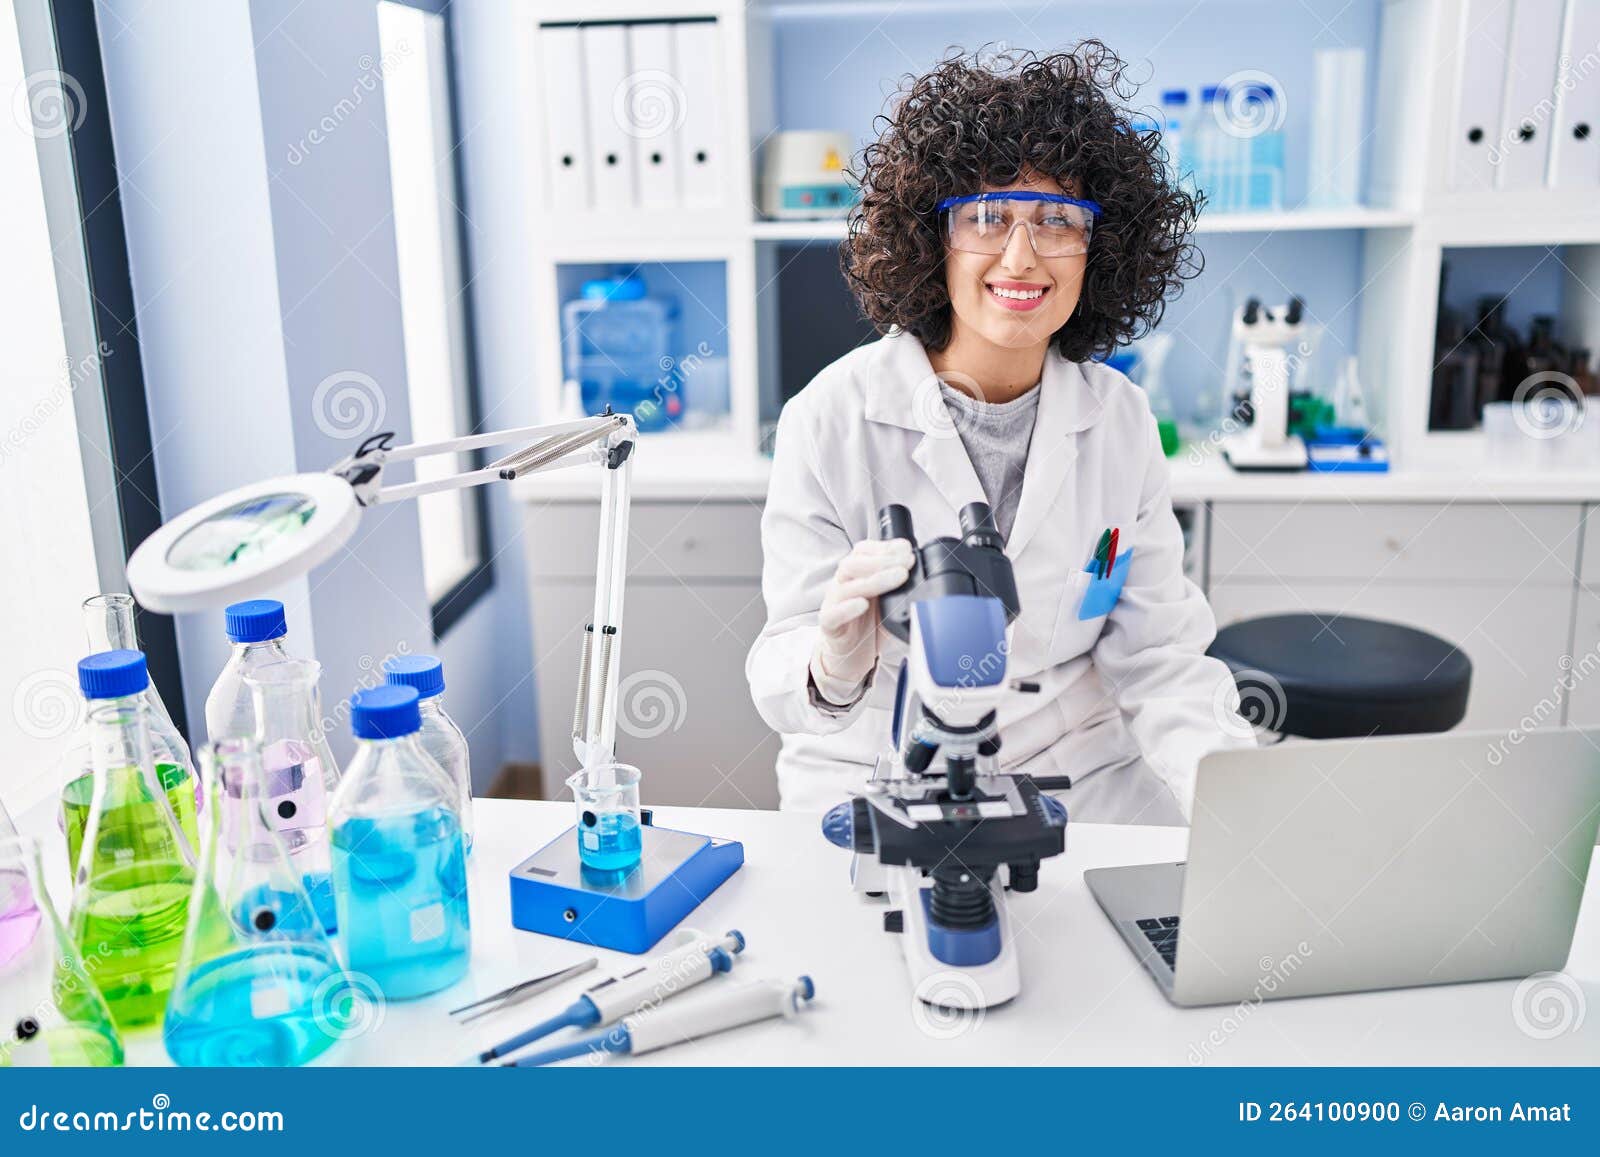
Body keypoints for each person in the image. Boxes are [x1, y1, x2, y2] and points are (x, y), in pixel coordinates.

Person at [745, 45, 1251, 824]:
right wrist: (831, 663)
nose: (1022, 255)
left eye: (1058, 220)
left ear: (1100, 248)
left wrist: (1241, 798)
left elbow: (1159, 658)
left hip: (1077, 785)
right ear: (931, 238)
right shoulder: (831, 418)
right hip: (882, 769)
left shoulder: (1119, 419)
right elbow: (784, 666)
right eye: (985, 217)